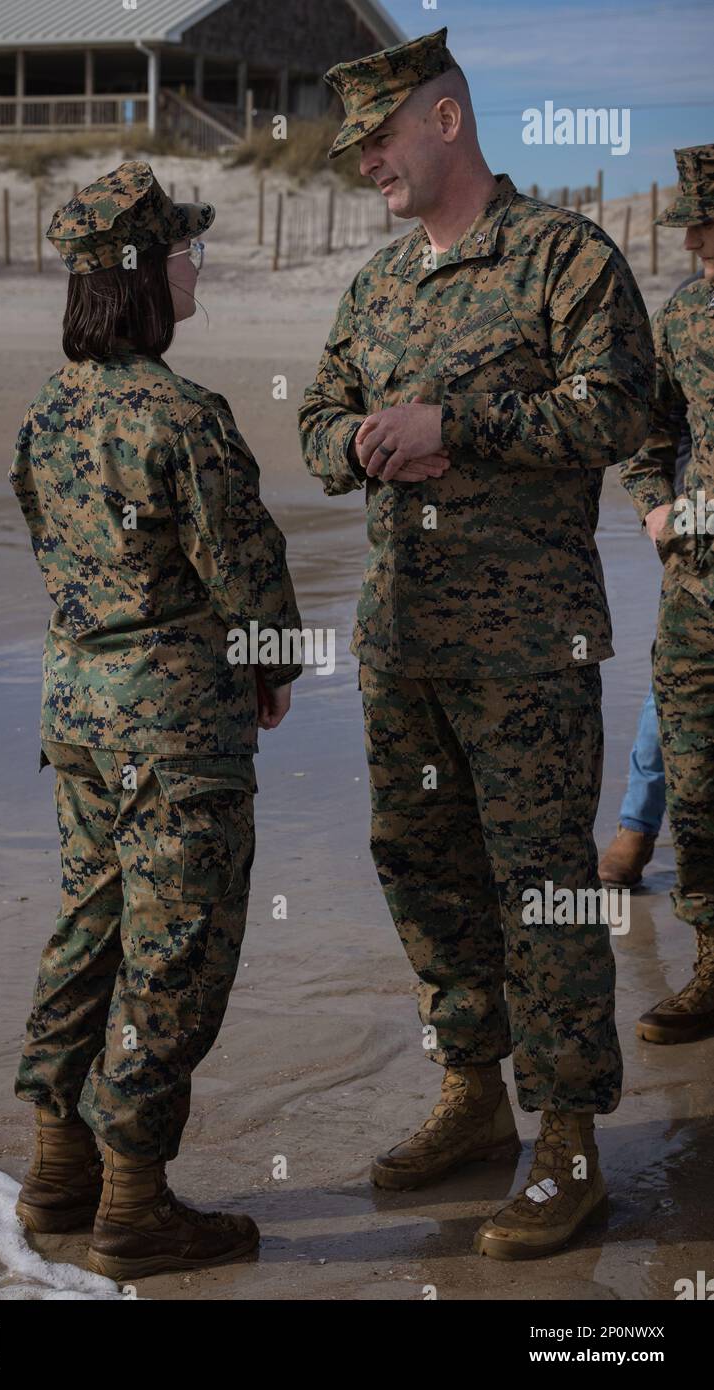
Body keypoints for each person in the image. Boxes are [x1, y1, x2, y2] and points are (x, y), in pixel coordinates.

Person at [299, 28, 654, 1260]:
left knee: (541, 885)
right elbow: (313, 415)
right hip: (401, 643)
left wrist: (465, 422)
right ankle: (470, 1093)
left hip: (525, 652)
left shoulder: (566, 257)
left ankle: (566, 1138)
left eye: (378, 140)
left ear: (444, 120)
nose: (364, 166)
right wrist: (358, 442)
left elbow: (617, 406)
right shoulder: (380, 281)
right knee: (422, 863)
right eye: (354, 149)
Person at [9, 162, 302, 1282]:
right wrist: (270, 668)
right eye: (183, 247)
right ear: (142, 274)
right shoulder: (183, 415)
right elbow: (246, 569)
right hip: (178, 732)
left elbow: (52, 547)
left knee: (90, 926)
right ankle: (133, 1200)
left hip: (77, 713)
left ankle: (56, 1168)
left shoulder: (47, 409)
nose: (196, 262)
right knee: (175, 951)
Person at [619, 146, 714, 1045]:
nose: (689, 238)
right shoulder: (683, 318)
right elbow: (646, 429)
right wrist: (654, 504)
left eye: (702, 220)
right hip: (697, 590)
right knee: (696, 775)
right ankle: (710, 966)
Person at [599, 345, 697, 891]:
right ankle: (635, 830)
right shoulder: (693, 308)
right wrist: (660, 509)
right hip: (701, 542)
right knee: (671, 688)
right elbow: (656, 428)